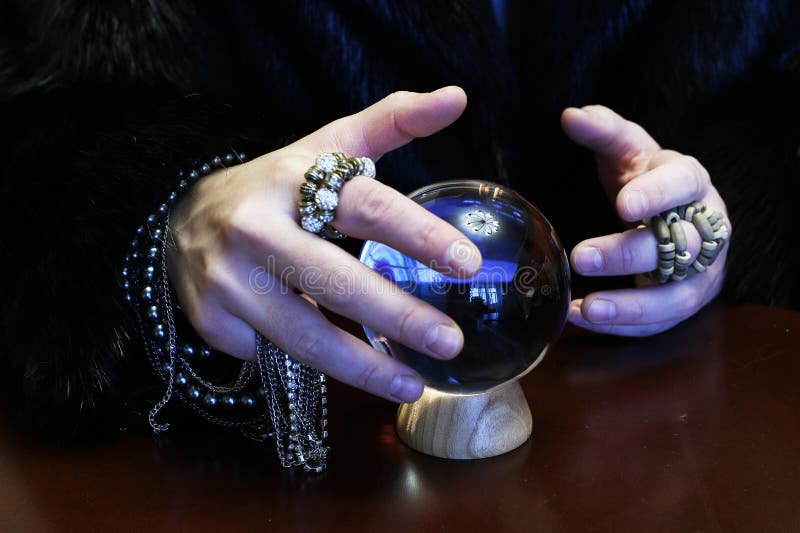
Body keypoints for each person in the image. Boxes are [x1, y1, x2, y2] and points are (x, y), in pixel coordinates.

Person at [2, 0, 797, 446]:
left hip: (666, 439)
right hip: (312, 466)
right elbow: (42, 125)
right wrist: (173, 211)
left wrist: (711, 217)